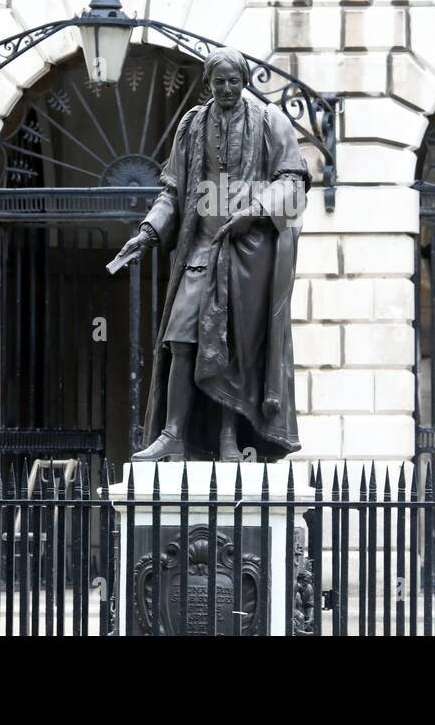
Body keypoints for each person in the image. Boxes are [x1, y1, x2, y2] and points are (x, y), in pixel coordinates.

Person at [111, 47, 308, 462]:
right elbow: (172, 191)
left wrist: (252, 211)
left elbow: (292, 183)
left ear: (245, 81)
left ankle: (229, 440)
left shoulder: (271, 121)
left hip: (245, 256)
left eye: (233, 81)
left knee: (229, 348)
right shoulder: (192, 126)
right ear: (208, 84)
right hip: (199, 248)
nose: (226, 88)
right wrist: (147, 231)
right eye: (218, 82)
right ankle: (173, 434)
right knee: (181, 339)